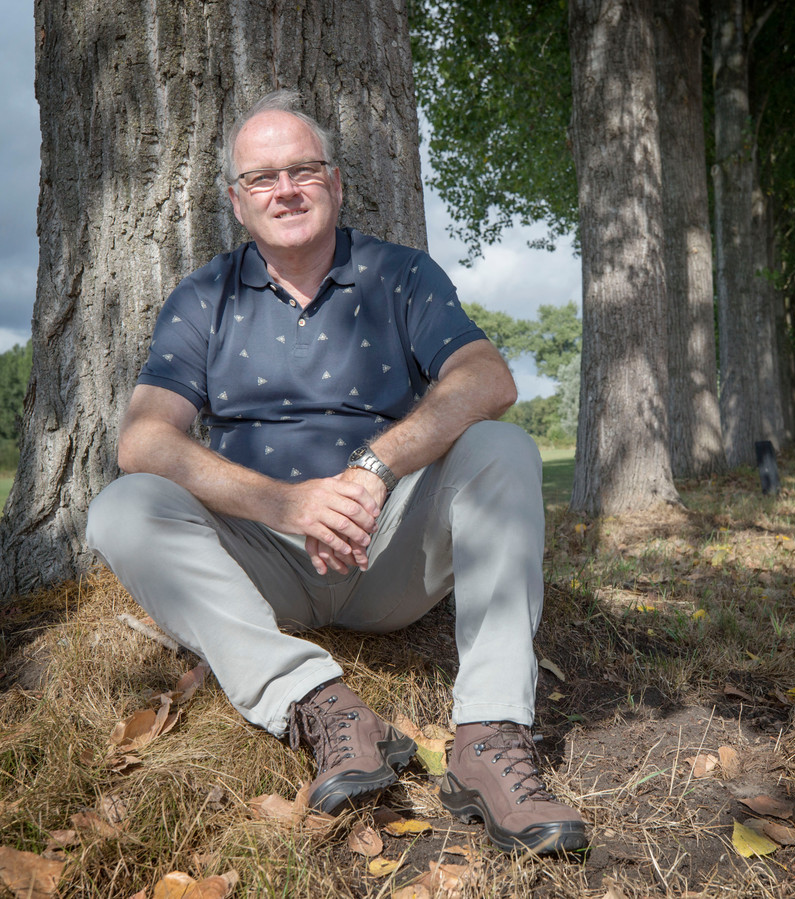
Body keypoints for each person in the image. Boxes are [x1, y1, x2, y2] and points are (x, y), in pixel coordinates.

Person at [86, 89, 587, 855]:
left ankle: (489, 736)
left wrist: (372, 470)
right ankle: (323, 705)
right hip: (262, 562)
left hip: (390, 551)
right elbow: (145, 439)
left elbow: (488, 377)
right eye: (262, 178)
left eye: (303, 170)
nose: (285, 190)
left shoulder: (401, 275)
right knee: (123, 507)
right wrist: (287, 505)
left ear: (337, 182)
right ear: (236, 200)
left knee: (505, 447)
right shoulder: (201, 298)